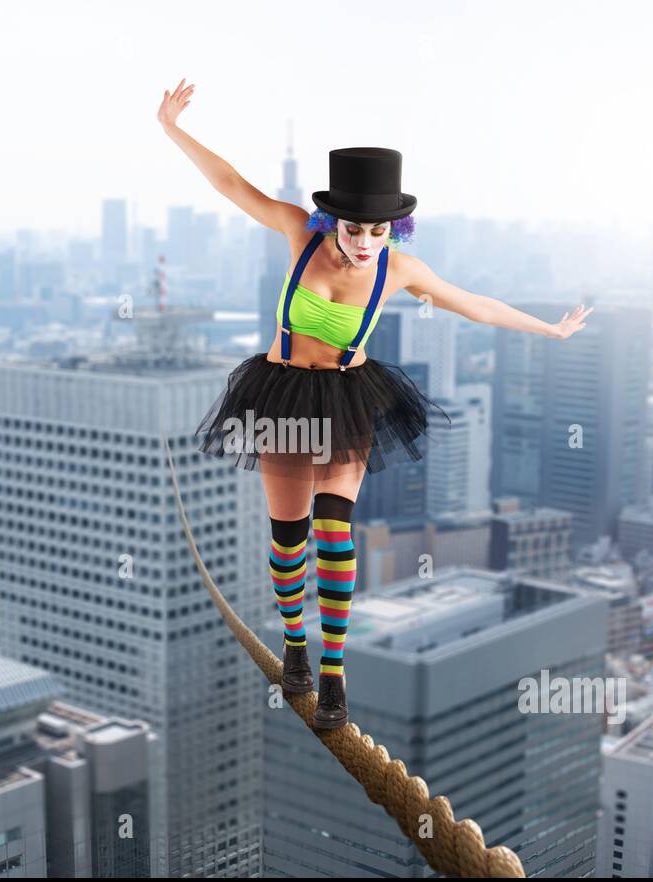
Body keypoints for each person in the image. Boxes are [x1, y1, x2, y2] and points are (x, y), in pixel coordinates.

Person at [158, 78, 591, 729]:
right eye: (355, 228)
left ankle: (332, 675)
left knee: (335, 535)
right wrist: (172, 129)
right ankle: (295, 648)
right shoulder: (299, 233)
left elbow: (475, 305)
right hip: (280, 394)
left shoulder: (401, 269)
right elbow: (231, 184)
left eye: (378, 230)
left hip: (347, 399)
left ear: (396, 226)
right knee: (289, 539)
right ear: (335, 220)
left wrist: (551, 329)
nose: (364, 242)